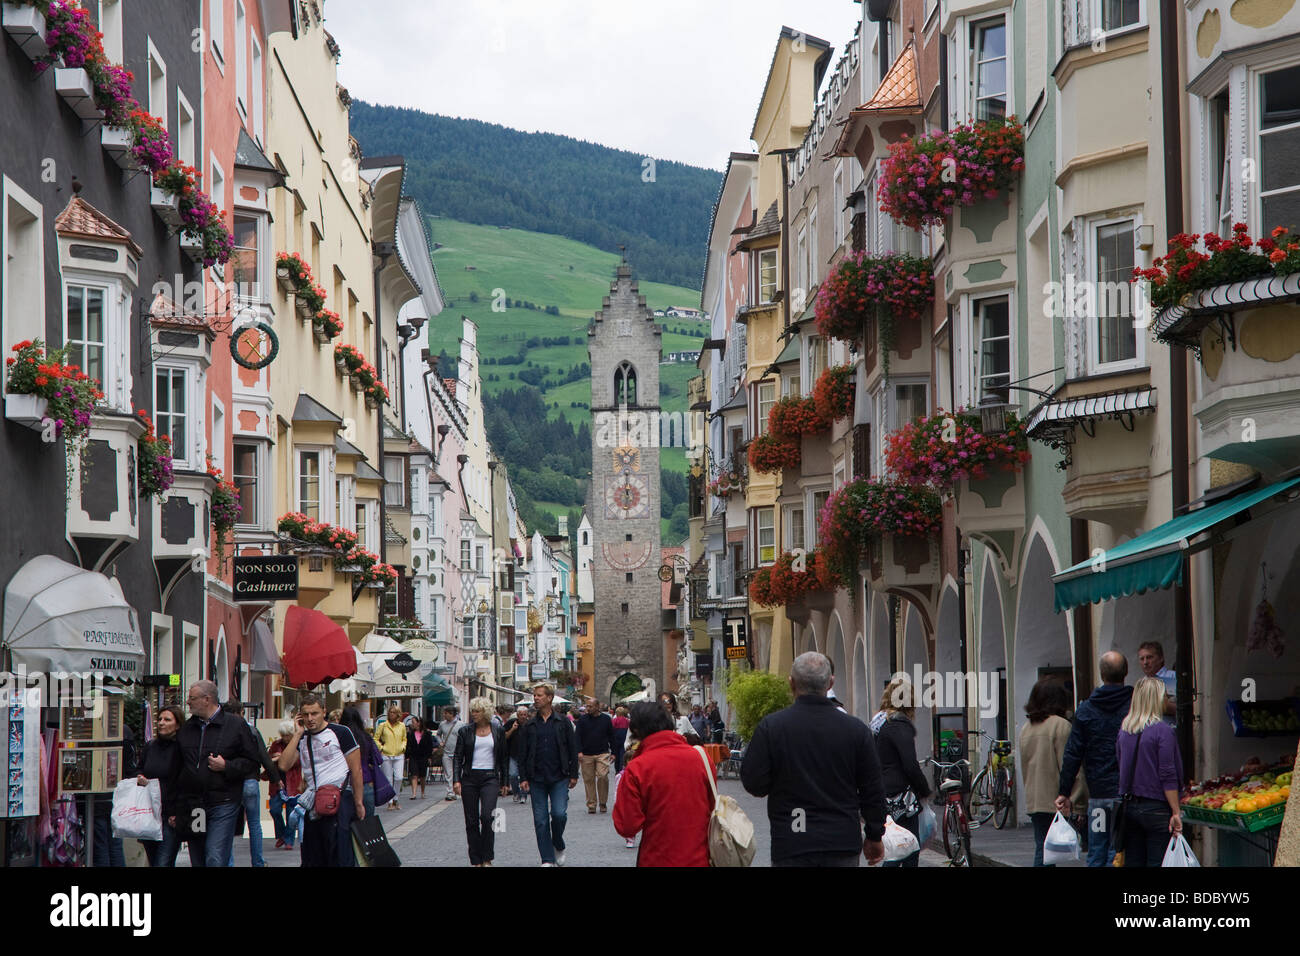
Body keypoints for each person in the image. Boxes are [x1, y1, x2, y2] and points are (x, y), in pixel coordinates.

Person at [741, 652, 886, 867]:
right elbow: (872, 788)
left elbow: (754, 782)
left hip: (792, 840)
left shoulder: (772, 727)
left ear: (791, 684)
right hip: (840, 841)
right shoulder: (855, 730)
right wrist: (874, 834)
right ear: (830, 683)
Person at [1055, 651, 1134, 867]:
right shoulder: (1134, 707)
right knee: (1119, 850)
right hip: (1127, 793)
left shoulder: (1086, 709)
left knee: (1097, 849)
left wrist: (1064, 791)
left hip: (1098, 793)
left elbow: (1072, 753)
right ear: (1126, 673)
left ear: (1101, 674)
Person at [612, 702, 714, 867]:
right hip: (700, 857)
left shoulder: (638, 768)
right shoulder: (702, 758)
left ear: (637, 730)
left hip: (658, 858)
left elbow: (626, 826)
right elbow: (712, 805)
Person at [176, 681, 263, 867]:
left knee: (215, 856)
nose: (188, 703)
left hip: (223, 802)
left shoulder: (235, 725)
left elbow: (252, 763)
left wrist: (227, 766)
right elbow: (179, 766)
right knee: (198, 856)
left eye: (192, 698)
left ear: (207, 700)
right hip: (195, 805)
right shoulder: (187, 728)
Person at [275, 693, 367, 868]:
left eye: (314, 713)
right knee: (314, 856)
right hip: (314, 802)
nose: (310, 719)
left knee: (339, 855)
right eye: (306, 714)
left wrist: (359, 802)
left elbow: (356, 770)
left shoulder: (340, 732)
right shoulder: (302, 738)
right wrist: (297, 734)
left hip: (340, 798)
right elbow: (284, 765)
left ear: (324, 711)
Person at [1115, 677, 1185, 867]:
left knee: (1134, 862)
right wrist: (1176, 811)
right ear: (1156, 699)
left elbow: (1121, 765)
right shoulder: (1163, 731)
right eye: (1165, 697)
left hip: (1129, 807)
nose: (1166, 701)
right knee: (1158, 862)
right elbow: (1167, 774)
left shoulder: (1124, 730)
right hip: (1157, 808)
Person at [1019, 679, 1083, 867]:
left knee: (1042, 846)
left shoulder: (1026, 728)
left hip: (1035, 798)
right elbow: (1069, 765)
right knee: (1046, 852)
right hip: (1057, 797)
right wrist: (1077, 799)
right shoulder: (1060, 725)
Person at [871, 679, 932, 868]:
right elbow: (910, 765)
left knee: (893, 846)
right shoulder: (899, 725)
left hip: (882, 792)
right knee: (908, 847)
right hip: (901, 796)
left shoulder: (878, 723)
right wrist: (924, 790)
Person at [518, 683, 579, 866]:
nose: (535, 698)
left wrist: (574, 773)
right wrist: (523, 778)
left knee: (559, 814)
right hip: (536, 777)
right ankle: (547, 859)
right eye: (534, 695)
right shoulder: (530, 725)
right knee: (541, 820)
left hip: (559, 775)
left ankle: (558, 843)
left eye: (539, 695)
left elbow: (572, 748)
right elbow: (523, 753)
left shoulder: (563, 722)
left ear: (549, 698)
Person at [221, 700, 281, 868]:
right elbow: (264, 757)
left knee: (228, 825)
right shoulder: (252, 731)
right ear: (241, 713)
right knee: (254, 823)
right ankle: (258, 861)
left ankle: (229, 863)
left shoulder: (222, 731)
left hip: (231, 782)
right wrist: (276, 778)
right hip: (250, 781)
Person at [453, 697, 510, 866]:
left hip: (490, 777)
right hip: (470, 778)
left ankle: (487, 857)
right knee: (471, 820)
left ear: (485, 712)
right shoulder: (465, 731)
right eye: (472, 711)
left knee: (487, 816)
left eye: (477, 711)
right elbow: (457, 757)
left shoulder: (498, 730)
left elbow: (504, 757)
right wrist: (456, 780)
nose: (473, 714)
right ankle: (476, 859)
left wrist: (505, 782)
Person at [135, 704, 184, 867]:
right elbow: (140, 768)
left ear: (177, 725)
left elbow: (184, 782)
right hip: (149, 813)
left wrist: (178, 812)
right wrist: (140, 777)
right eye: (160, 719)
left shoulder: (181, 749)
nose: (161, 723)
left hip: (170, 815)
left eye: (167, 719)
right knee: (153, 859)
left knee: (163, 862)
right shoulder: (150, 746)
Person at [341, 706, 383, 818]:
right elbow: (378, 759)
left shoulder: (339, 737)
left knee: (345, 826)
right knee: (366, 826)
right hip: (366, 783)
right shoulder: (366, 737)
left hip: (344, 784)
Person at [268, 720, 304, 850]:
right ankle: (282, 834)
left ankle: (289, 840)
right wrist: (275, 759)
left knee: (291, 814)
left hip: (293, 784)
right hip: (277, 783)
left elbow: (296, 762)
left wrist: (281, 757)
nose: (285, 738)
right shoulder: (276, 745)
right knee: (274, 809)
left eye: (287, 735)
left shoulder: (298, 745)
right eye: (283, 735)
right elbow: (268, 761)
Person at [575, 698, 616, 813]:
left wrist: (614, 752)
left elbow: (611, 736)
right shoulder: (582, 720)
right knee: (589, 780)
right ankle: (591, 804)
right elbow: (577, 737)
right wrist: (579, 751)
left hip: (602, 753)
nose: (588, 708)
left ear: (597, 706)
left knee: (603, 776)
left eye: (590, 706)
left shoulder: (606, 719)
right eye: (587, 706)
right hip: (586, 754)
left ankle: (603, 802)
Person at [374, 706, 408, 809]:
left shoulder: (401, 726)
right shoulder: (383, 725)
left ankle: (396, 798)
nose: (391, 714)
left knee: (399, 778)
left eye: (393, 712)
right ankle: (390, 802)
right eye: (390, 712)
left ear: (398, 714)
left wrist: (403, 747)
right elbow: (376, 738)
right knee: (389, 779)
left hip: (399, 754)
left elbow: (404, 739)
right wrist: (382, 748)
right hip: (386, 754)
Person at [1137, 641, 1177, 725]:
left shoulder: (1172, 677)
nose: (1145, 662)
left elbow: (1181, 709)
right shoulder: (1141, 684)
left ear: (1161, 658)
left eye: (1149, 657)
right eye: (1142, 659)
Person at [438, 706, 466, 800]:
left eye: (446, 713)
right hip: (446, 752)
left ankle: (457, 790)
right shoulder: (442, 724)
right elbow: (438, 734)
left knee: (457, 772)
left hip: (458, 753)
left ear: (452, 714)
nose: (444, 715)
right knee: (448, 773)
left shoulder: (461, 724)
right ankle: (450, 792)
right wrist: (440, 742)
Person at [504, 705, 530, 801]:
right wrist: (513, 729)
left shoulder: (529, 724)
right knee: (513, 774)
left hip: (525, 755)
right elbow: (504, 736)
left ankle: (523, 795)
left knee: (524, 776)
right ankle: (516, 792)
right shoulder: (511, 723)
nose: (523, 716)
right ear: (517, 715)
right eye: (521, 715)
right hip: (513, 753)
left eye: (525, 714)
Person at [406, 716, 435, 799]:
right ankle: (414, 793)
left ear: (419, 723)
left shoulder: (426, 734)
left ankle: (422, 792)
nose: (412, 724)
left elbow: (430, 746)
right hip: (413, 756)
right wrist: (407, 756)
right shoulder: (410, 734)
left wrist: (429, 757)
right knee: (414, 775)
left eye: (413, 722)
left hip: (423, 756)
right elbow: (408, 745)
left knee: (422, 776)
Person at [611, 705, 630, 773]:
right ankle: (620, 769)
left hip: (615, 740)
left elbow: (611, 731)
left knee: (616, 755)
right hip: (623, 739)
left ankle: (617, 770)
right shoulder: (627, 721)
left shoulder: (614, 720)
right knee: (622, 755)